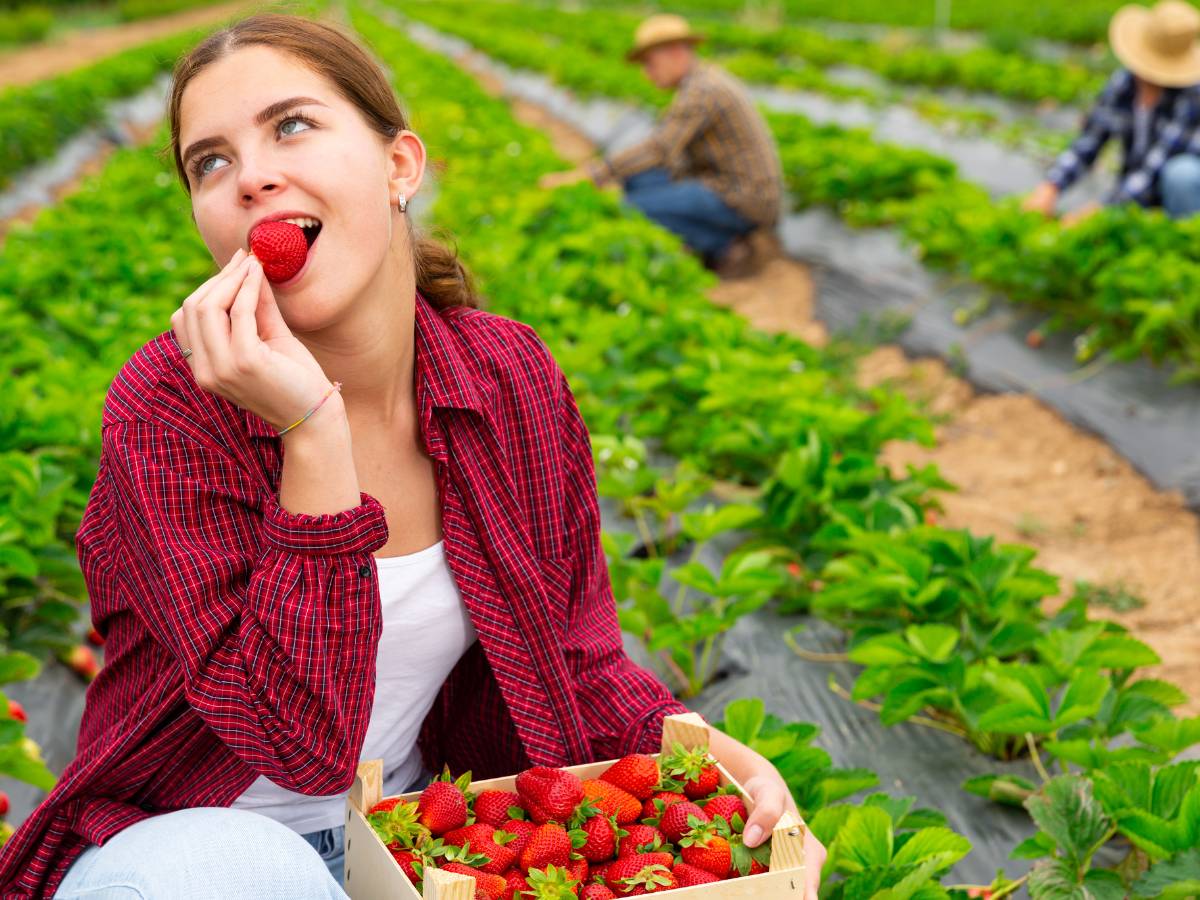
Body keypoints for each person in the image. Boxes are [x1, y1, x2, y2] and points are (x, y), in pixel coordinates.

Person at [0, 13, 826, 899]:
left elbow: (576, 653)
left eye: (291, 125)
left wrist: (700, 748)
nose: (253, 178)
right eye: (211, 161)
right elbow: (301, 749)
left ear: (400, 166)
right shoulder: (171, 408)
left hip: (408, 847)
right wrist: (313, 434)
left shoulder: (508, 378)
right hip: (187, 857)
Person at [539, 14, 784, 278]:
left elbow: (658, 149)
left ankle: (723, 246)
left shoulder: (704, 92)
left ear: (676, 52)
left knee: (630, 205)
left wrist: (591, 175)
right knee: (637, 182)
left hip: (744, 199)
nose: (647, 73)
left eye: (650, 63)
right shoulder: (699, 83)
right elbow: (668, 156)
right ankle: (720, 237)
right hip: (723, 186)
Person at [1023, 0, 1200, 225]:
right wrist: (1051, 187)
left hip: (1181, 195)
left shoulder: (1193, 96)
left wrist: (1101, 210)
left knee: (1181, 175)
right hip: (1136, 195)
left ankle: (1190, 245)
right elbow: (1088, 141)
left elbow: (1155, 169)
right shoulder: (1124, 84)